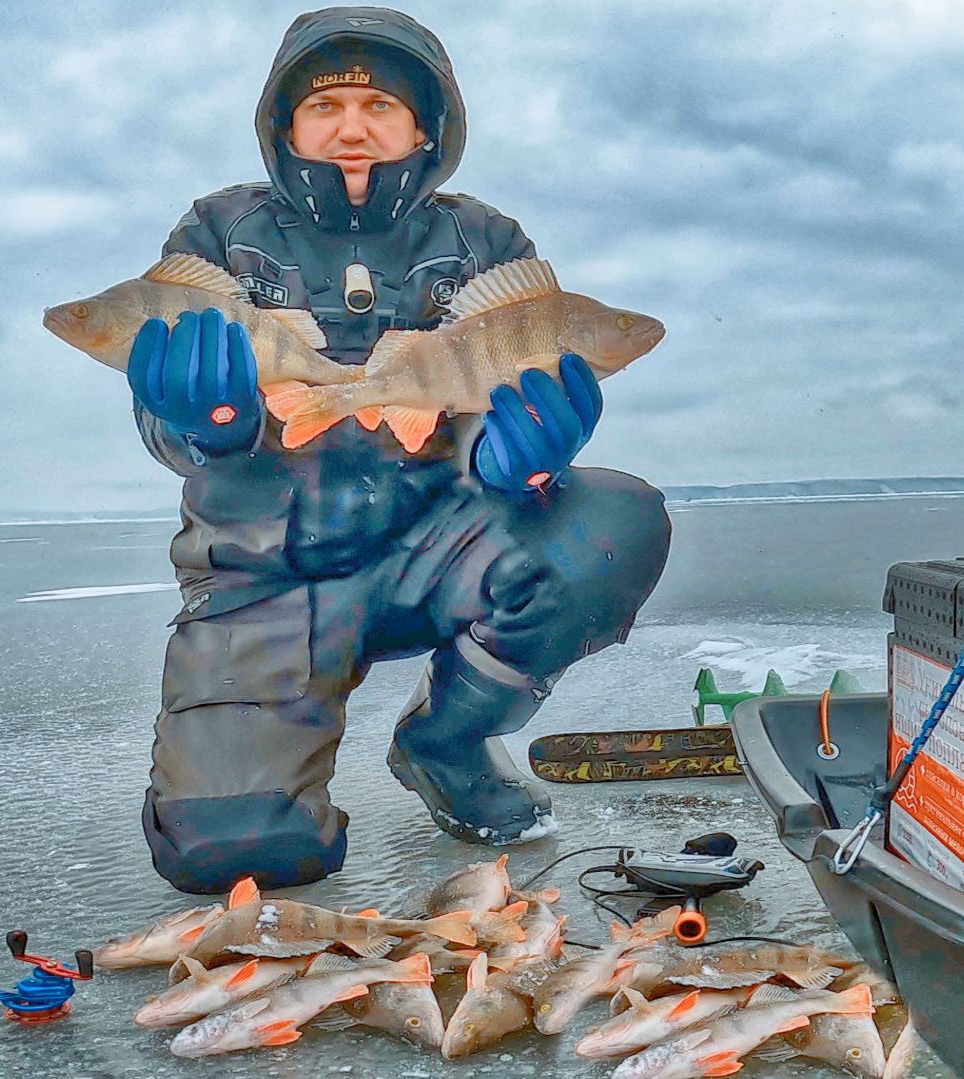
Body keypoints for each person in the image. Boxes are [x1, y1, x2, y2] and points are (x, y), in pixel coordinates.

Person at [132, 6, 671, 894]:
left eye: (380, 104)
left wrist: (515, 462)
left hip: (438, 553)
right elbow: (162, 426)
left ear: (426, 128)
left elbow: (509, 375)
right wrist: (205, 423)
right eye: (326, 104)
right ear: (284, 125)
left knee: (612, 519)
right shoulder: (217, 233)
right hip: (266, 575)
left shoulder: (484, 241)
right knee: (232, 853)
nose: (352, 126)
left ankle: (445, 742)